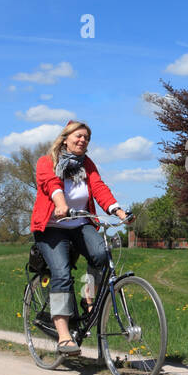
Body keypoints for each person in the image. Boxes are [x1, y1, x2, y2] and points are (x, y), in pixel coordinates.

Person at [29, 120, 129, 355]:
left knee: (101, 255)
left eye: (87, 138)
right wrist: (61, 204)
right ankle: (64, 335)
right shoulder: (47, 162)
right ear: (65, 138)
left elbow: (99, 187)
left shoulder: (87, 164)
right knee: (61, 273)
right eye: (79, 136)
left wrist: (118, 211)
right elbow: (51, 184)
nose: (83, 140)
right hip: (52, 227)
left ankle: (88, 297)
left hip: (80, 223)